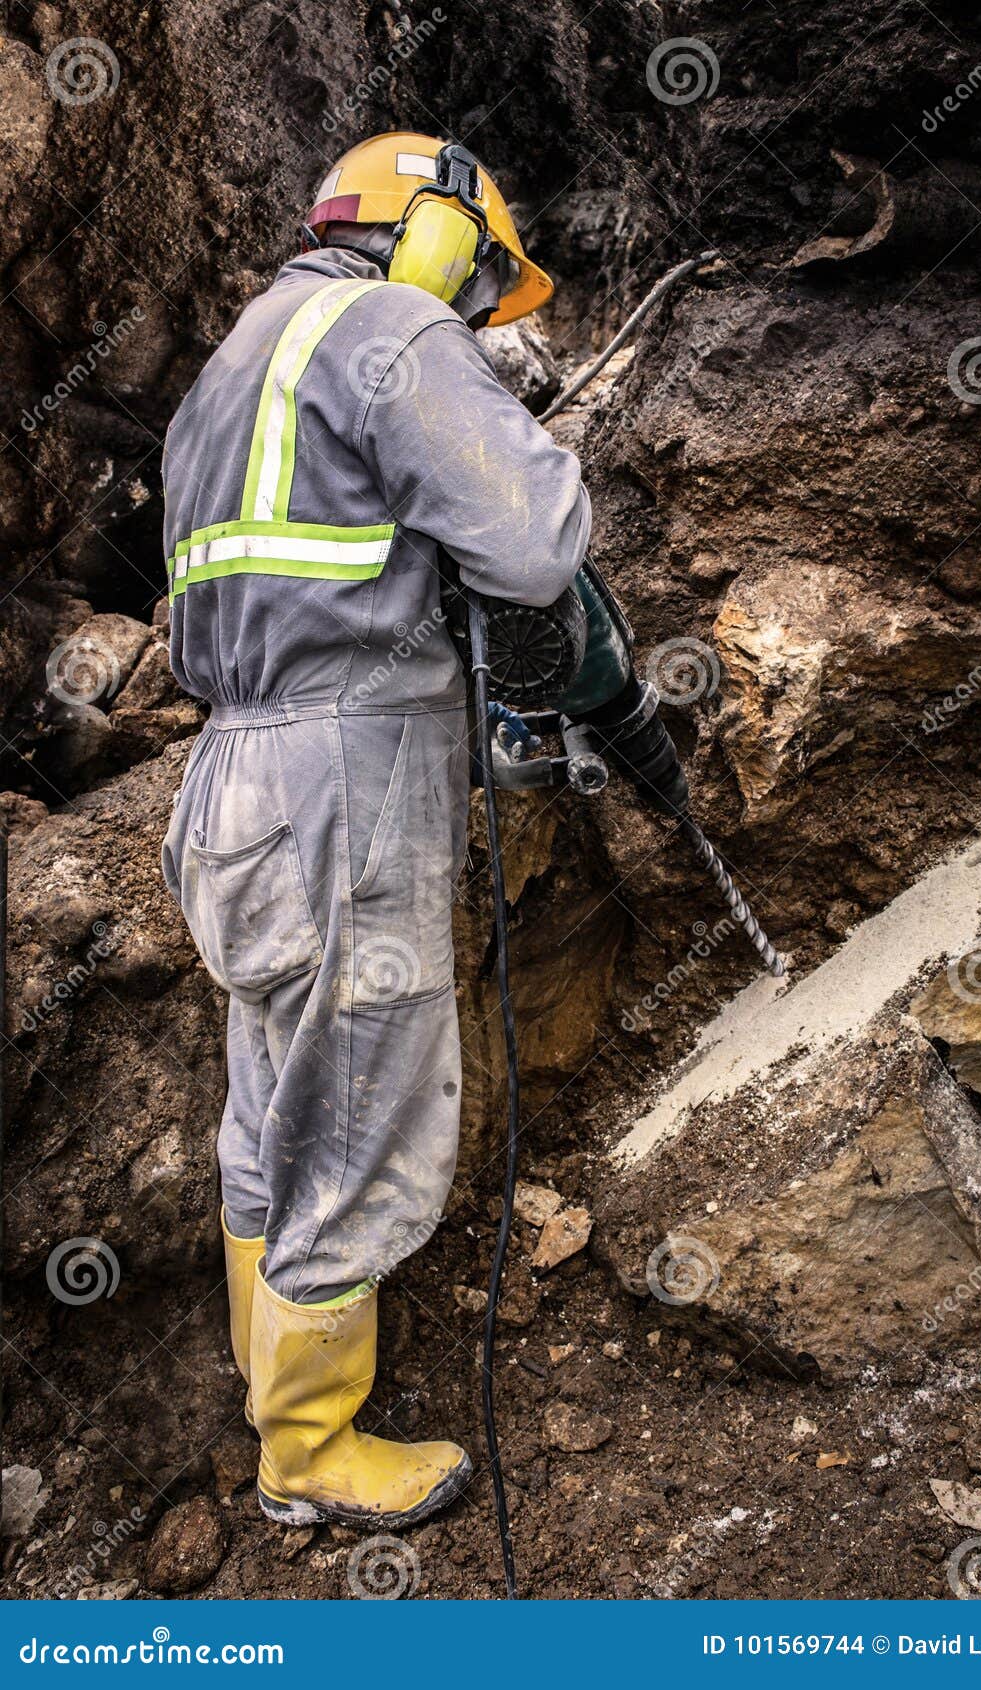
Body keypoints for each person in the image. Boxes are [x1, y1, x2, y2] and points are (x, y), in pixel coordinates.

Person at [160, 131, 590, 1528]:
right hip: (344, 779)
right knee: (355, 1109)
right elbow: (533, 542)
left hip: (232, 776)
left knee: (272, 1104)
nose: (476, 310)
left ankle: (271, 1392)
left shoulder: (232, 365)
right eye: (481, 280)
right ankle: (310, 1448)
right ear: (435, 229)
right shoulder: (390, 328)